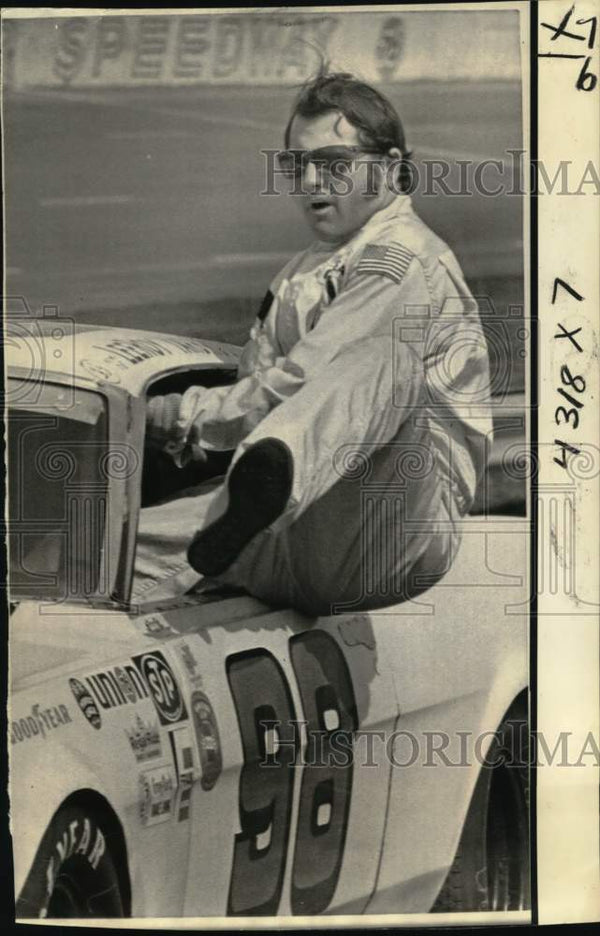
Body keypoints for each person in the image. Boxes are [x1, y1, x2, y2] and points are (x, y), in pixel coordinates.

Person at [133, 71, 493, 615]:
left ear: (391, 167)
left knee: (386, 357)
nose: (311, 183)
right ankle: (249, 506)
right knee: (98, 549)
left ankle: (266, 489)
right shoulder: (298, 273)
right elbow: (256, 391)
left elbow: (300, 383)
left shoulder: (403, 259)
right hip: (291, 535)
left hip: (386, 532)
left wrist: (180, 418)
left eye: (334, 164)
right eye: (297, 166)